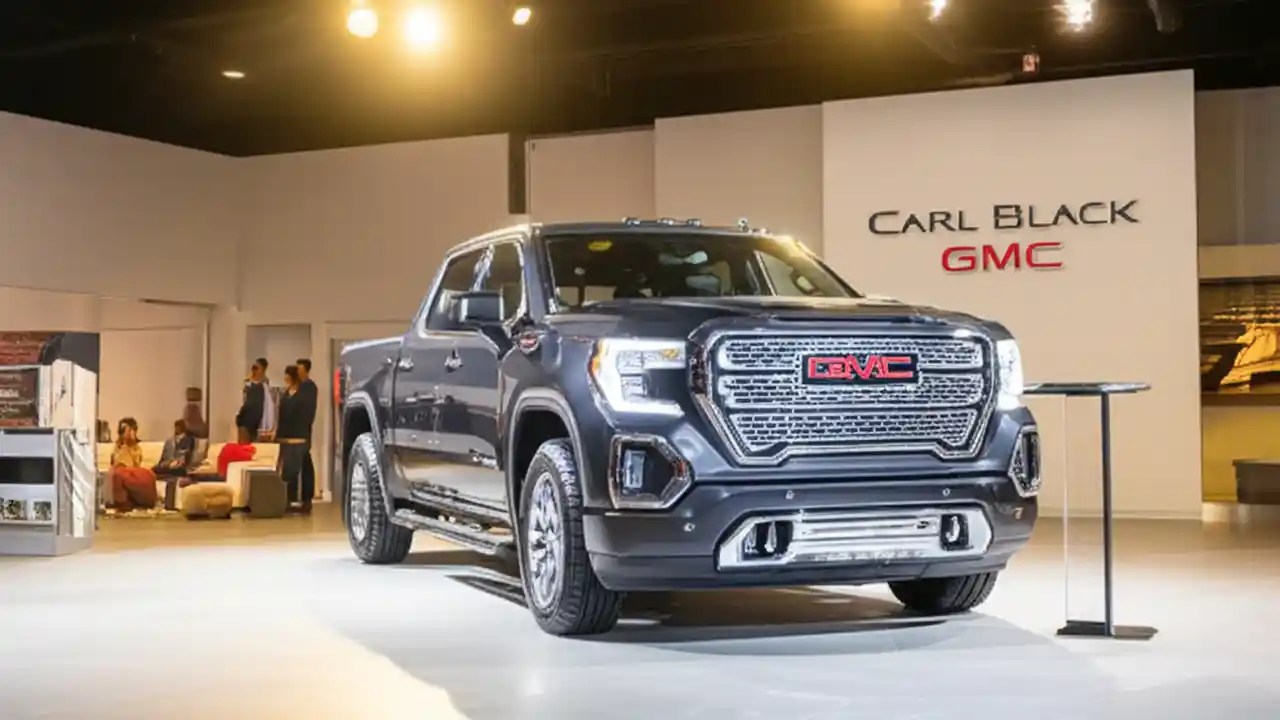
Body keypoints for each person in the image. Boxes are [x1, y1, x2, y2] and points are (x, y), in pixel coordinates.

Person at [276, 365, 312, 513]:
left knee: (296, 468)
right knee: (287, 469)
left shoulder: (303, 394)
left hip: (298, 435)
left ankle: (301, 500)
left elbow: (304, 415)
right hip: (285, 435)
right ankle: (288, 500)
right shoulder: (285, 394)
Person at [108, 418, 158, 513]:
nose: (126, 433)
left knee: (148, 476)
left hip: (134, 475)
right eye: (124, 430)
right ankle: (124, 503)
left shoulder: (137, 448)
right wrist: (124, 446)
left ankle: (137, 502)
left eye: (130, 430)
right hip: (121, 474)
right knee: (117, 473)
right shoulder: (117, 448)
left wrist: (130, 444)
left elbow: (134, 465)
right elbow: (115, 463)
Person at [153, 420, 195, 510]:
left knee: (176, 473)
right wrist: (165, 464)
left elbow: (186, 456)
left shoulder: (189, 440)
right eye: (176, 426)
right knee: (152, 471)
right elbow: (162, 459)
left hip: (180, 467)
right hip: (167, 466)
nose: (177, 429)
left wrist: (177, 463)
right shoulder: (169, 441)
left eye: (179, 427)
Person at [296, 358, 319, 510]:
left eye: (299, 369)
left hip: (303, 431)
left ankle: (307, 497)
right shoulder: (299, 387)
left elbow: (308, 411)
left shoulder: (309, 387)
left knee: (305, 463)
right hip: (297, 431)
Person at [236, 360, 268, 438]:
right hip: (246, 419)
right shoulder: (248, 383)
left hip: (258, 420)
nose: (255, 370)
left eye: (257, 368)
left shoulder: (264, 385)